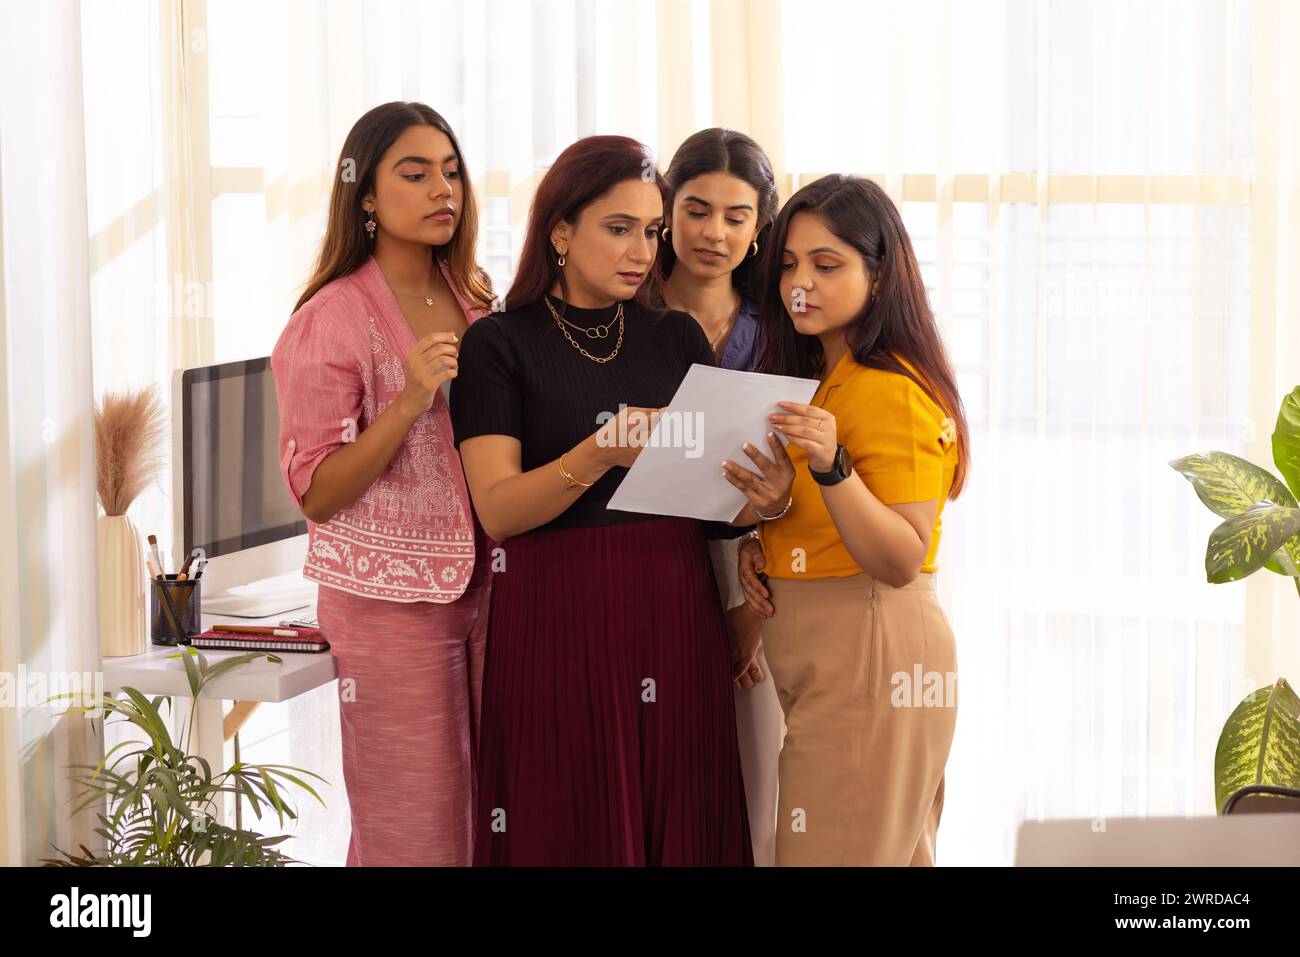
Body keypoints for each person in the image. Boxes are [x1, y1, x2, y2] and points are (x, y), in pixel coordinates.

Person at [450, 135, 793, 865]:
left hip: (673, 611)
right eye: (619, 228)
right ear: (561, 231)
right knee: (564, 816)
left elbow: (712, 506)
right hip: (554, 619)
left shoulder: (676, 337)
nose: (642, 249)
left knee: (682, 816)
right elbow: (500, 512)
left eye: (651, 230)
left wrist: (765, 500)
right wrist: (598, 451)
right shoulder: (497, 345)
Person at [270, 101, 494, 866]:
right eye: (416, 172)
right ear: (365, 194)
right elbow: (316, 491)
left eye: (452, 171)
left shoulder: (478, 300)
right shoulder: (329, 320)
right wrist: (407, 402)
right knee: (417, 832)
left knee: (499, 818)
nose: (443, 189)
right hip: (389, 606)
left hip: (498, 586)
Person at [737, 174, 970, 866]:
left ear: (880, 272)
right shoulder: (828, 379)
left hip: (871, 659)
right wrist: (772, 524)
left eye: (826, 264)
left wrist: (832, 462)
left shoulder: (888, 390)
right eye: (787, 264)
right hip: (839, 664)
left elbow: (900, 555)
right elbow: (831, 520)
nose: (799, 282)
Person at [649, 127, 785, 866]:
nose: (715, 232)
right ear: (667, 206)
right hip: (641, 565)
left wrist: (749, 610)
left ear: (762, 225)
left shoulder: (780, 331)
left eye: (737, 216)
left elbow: (794, 477)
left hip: (753, 567)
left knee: (755, 782)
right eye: (697, 209)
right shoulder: (622, 308)